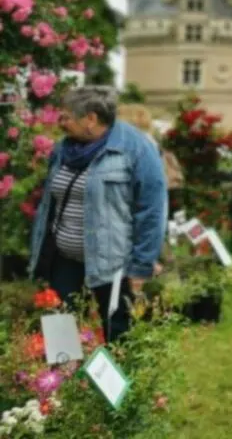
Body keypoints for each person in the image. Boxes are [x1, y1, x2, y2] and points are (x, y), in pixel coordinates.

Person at [28, 86, 168, 342]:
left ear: (90, 119)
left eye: (67, 116)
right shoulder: (64, 149)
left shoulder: (136, 148)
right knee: (61, 334)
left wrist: (141, 265)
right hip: (64, 260)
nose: (61, 122)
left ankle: (121, 380)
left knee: (119, 336)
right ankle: (61, 380)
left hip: (113, 265)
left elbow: (152, 211)